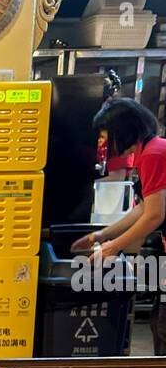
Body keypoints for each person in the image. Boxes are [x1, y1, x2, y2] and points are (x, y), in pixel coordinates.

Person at [71, 98, 166, 351]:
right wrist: (101, 235)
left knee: (163, 329)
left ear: (123, 131)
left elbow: (155, 215)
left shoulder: (154, 154)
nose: (104, 144)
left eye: (106, 136)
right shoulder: (150, 152)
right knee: (160, 324)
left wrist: (113, 248)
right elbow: (144, 207)